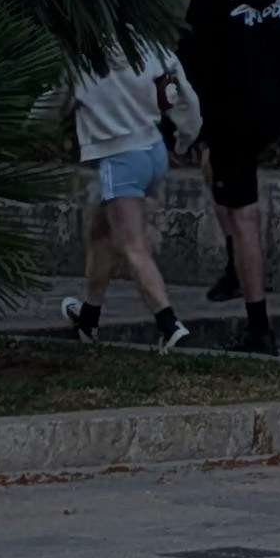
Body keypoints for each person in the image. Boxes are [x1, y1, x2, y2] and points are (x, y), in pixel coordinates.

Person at [179, 0, 280, 353]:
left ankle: (259, 328)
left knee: (244, 217)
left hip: (234, 113)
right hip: (272, 106)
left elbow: (191, 60)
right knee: (210, 168)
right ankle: (236, 264)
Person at [62, 29, 195, 343]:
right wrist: (185, 139)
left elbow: (52, 103)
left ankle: (170, 324)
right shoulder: (152, 47)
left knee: (132, 245)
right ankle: (88, 319)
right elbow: (185, 97)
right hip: (153, 152)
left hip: (118, 159)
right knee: (100, 233)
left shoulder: (81, 55)